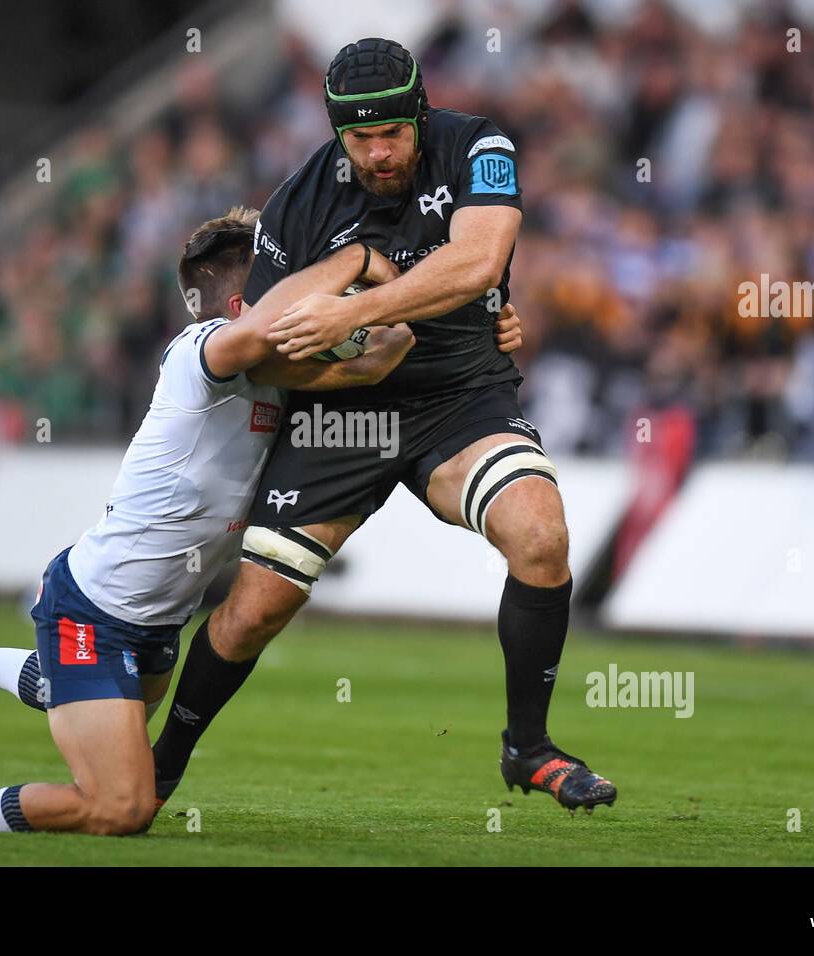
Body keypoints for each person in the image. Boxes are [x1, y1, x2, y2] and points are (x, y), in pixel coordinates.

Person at [0, 206, 523, 835]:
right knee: (121, 809)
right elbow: (285, 338)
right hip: (92, 611)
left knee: (79, 697)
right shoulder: (199, 351)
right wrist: (355, 259)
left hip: (157, 624)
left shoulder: (284, 376)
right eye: (274, 285)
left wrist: (477, 323)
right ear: (243, 307)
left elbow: (380, 354)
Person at [151, 38, 617, 818]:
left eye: (393, 134)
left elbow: (477, 261)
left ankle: (528, 748)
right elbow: (262, 355)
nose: (379, 153)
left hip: (459, 398)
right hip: (341, 417)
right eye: (360, 139)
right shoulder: (298, 203)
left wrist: (355, 311)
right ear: (337, 134)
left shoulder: (478, 145)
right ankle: (159, 769)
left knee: (540, 535)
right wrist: (349, 366)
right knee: (256, 609)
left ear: (420, 114)